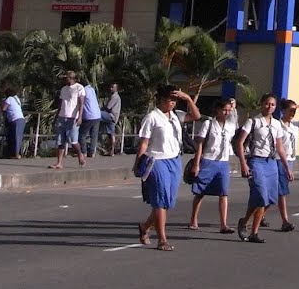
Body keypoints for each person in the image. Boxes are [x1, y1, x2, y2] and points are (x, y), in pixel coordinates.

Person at [133, 84, 200, 252]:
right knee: (160, 200)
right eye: (169, 100)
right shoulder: (152, 117)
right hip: (156, 161)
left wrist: (188, 98)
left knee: (167, 201)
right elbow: (144, 143)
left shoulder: (176, 115)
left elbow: (196, 115)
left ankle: (145, 226)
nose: (172, 103)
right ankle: (162, 239)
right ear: (160, 100)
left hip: (174, 160)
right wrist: (137, 164)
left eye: (174, 100)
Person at [185, 96, 237, 234]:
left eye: (228, 110)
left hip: (223, 162)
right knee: (200, 192)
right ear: (218, 110)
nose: (226, 113)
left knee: (223, 193)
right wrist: (197, 164)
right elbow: (200, 144)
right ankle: (193, 219)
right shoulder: (208, 124)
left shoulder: (231, 126)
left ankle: (223, 224)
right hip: (208, 160)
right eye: (224, 110)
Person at [234, 94, 279, 244]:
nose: (269, 107)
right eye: (266, 103)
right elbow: (240, 142)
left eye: (272, 104)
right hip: (256, 161)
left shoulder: (277, 124)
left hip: (271, 162)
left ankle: (248, 225)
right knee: (261, 195)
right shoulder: (253, 121)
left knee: (269, 199)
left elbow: (279, 146)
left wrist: (285, 166)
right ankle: (251, 229)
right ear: (261, 104)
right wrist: (243, 163)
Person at [269, 97, 299, 232]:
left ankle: (257, 216)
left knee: (277, 192)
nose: (292, 114)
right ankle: (285, 220)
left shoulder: (295, 126)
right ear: (283, 111)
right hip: (279, 160)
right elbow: (278, 147)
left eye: (294, 111)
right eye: (290, 111)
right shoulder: (278, 125)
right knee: (281, 192)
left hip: (290, 160)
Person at [51, 71, 86, 169]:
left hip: (73, 117)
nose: (65, 79)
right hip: (62, 116)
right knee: (60, 141)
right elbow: (61, 103)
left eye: (67, 78)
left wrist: (80, 117)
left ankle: (80, 155)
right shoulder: (63, 89)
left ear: (72, 78)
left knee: (73, 140)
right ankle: (59, 162)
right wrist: (57, 116)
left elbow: (81, 103)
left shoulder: (79, 88)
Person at [79, 77, 102, 159]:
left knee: (82, 134)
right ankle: (92, 152)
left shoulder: (83, 90)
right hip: (97, 114)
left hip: (89, 115)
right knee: (94, 135)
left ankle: (84, 151)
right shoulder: (91, 89)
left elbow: (80, 101)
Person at [0, 87, 25, 159]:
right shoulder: (17, 99)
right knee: (17, 137)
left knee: (15, 137)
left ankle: (16, 154)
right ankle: (15, 153)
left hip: (15, 119)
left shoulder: (9, 99)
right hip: (20, 119)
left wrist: (2, 103)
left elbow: (4, 108)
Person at [101, 83, 122, 156]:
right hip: (114, 117)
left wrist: (99, 109)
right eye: (110, 87)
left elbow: (108, 107)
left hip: (111, 116)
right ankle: (111, 151)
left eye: (112, 87)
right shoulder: (115, 97)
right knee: (111, 134)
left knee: (97, 114)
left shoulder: (115, 97)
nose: (111, 89)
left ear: (116, 89)